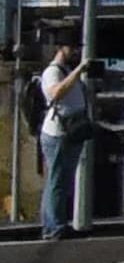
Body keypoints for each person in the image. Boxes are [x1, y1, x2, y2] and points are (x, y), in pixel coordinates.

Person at [34, 52, 84, 242]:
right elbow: (56, 93)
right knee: (57, 181)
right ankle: (54, 226)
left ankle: (54, 224)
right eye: (73, 48)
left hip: (69, 132)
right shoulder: (52, 72)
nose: (77, 52)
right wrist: (78, 71)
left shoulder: (66, 71)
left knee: (61, 181)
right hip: (57, 133)